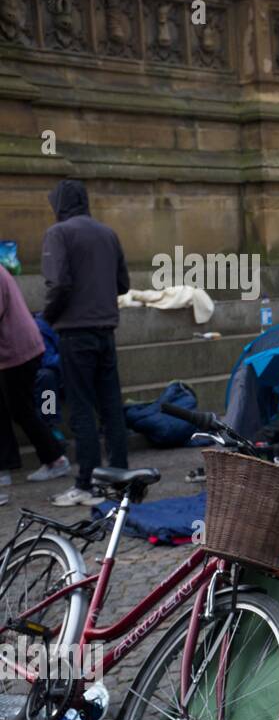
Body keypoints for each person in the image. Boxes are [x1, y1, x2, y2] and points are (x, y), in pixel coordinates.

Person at [41, 179, 130, 507]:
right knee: (111, 407)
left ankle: (87, 483)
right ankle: (121, 477)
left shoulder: (59, 233)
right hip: (106, 330)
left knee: (82, 409)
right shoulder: (108, 233)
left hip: (75, 333)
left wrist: (47, 316)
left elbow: (59, 284)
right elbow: (123, 284)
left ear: (59, 204)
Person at [0, 265, 70, 504]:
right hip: (20, 352)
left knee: (23, 407)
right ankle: (46, 457)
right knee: (18, 408)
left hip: (19, 353)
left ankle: (55, 454)